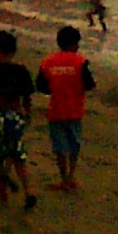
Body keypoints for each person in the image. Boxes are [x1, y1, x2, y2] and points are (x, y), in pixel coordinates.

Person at [36, 25, 95, 192]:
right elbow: (89, 84)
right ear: (75, 44)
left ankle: (64, 178)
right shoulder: (80, 62)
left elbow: (42, 86)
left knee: (59, 147)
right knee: (74, 144)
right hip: (75, 110)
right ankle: (71, 175)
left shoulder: (48, 62)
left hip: (56, 110)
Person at [0, 30, 37, 210]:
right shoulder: (21, 71)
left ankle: (3, 195)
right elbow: (27, 97)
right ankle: (28, 190)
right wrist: (26, 113)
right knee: (18, 155)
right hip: (15, 114)